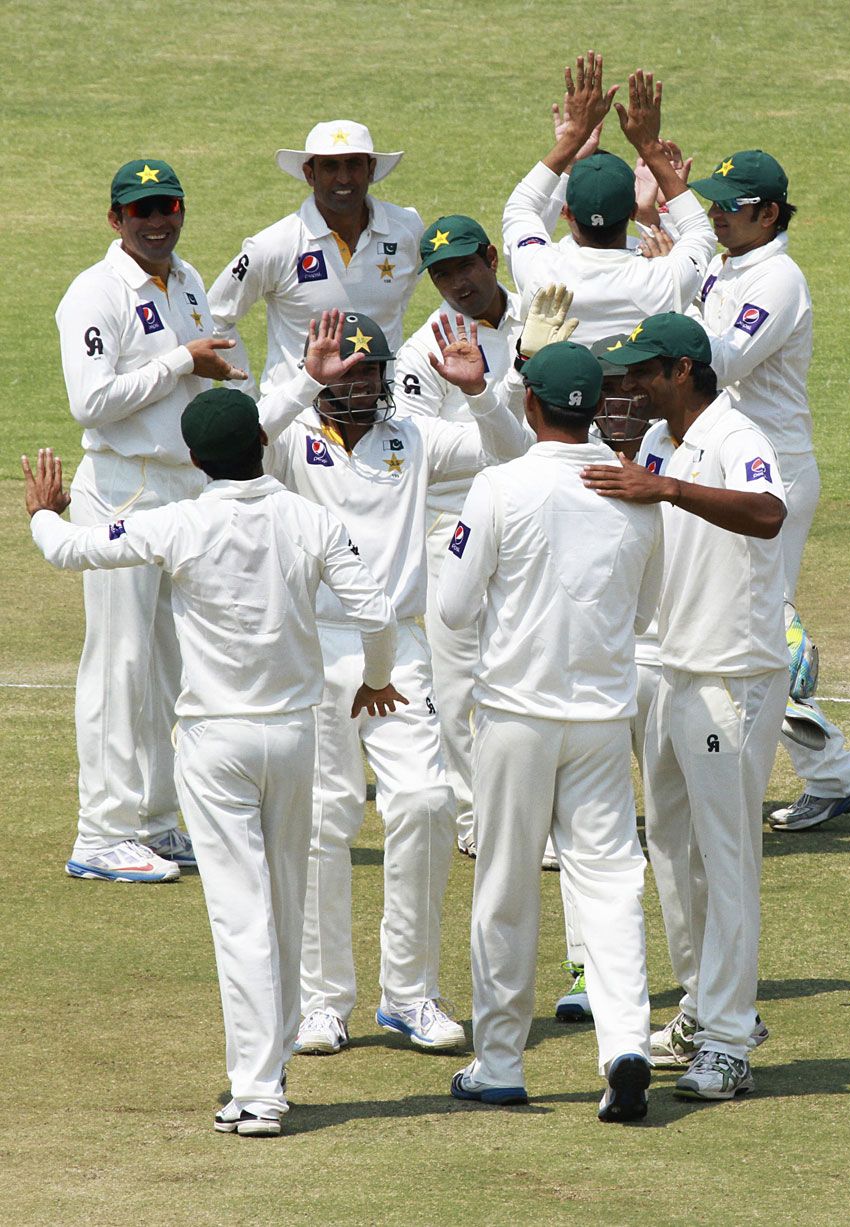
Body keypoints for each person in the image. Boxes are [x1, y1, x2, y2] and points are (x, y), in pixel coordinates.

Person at [22, 389, 398, 1137]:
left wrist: (43, 509)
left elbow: (70, 549)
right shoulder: (310, 516)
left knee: (241, 912)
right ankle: (273, 1056)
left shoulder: (182, 520)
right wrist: (377, 678)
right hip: (294, 736)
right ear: (261, 443)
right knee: (284, 899)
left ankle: (258, 1090)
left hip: (216, 741)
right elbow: (378, 612)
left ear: (194, 459)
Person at [256, 309, 526, 1056]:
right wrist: (304, 379)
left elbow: (510, 455)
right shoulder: (290, 441)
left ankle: (409, 994)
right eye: (348, 374)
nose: (363, 386)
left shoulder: (409, 435)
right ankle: (320, 1000)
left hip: (402, 649)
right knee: (322, 820)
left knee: (429, 800)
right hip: (312, 648)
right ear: (324, 377)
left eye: (371, 374)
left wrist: (479, 393)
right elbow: (235, 440)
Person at [437, 341, 663, 1122]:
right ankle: (625, 1042)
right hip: (602, 715)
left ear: (530, 404)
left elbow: (454, 609)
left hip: (515, 716)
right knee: (607, 882)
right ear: (594, 407)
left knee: (504, 885)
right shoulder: (637, 492)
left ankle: (500, 1061)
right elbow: (643, 613)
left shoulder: (500, 484)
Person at [582, 312, 790, 1100]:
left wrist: (663, 485)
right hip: (674, 666)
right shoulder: (668, 441)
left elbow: (767, 513)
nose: (630, 385)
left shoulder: (738, 433)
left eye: (642, 371)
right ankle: (704, 1008)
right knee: (671, 847)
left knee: (726, 854)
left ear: (681, 370)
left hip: (731, 676)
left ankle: (733, 1039)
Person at [55, 157, 247, 883]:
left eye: (168, 205)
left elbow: (201, 364)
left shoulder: (189, 280)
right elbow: (90, 402)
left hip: (185, 490)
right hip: (124, 491)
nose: (158, 220)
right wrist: (178, 363)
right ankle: (100, 831)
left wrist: (216, 379)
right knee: (120, 662)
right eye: (142, 210)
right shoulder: (93, 294)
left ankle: (156, 821)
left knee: (173, 664)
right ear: (116, 220)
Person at [688, 151, 850, 830]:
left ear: (768, 214)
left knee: (754, 630)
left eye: (728, 207)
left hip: (775, 477)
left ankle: (827, 771)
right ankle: (836, 773)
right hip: (736, 466)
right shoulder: (730, 263)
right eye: (711, 203)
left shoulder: (778, 279)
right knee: (745, 623)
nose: (715, 215)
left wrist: (670, 310)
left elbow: (725, 359)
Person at [393, 214, 526, 855]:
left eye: (465, 266)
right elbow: (422, 448)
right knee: (457, 682)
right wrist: (505, 423)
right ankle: (477, 821)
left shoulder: (542, 315)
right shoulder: (425, 348)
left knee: (528, 670)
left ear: (492, 259)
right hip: (453, 526)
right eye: (442, 274)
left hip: (536, 518)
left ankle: (531, 813)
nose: (457, 283)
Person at [555, 335, 658, 1024]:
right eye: (608, 390)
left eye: (630, 388)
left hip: (672, 662)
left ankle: (704, 986)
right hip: (598, 672)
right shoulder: (574, 466)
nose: (620, 403)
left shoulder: (677, 452)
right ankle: (587, 968)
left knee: (674, 837)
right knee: (585, 833)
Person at [503, 57, 715, 344]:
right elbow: (699, 231)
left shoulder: (540, 270)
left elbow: (521, 206)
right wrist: (649, 148)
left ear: (567, 212)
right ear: (631, 211)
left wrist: (574, 137)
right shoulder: (662, 280)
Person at [207, 120, 424, 400]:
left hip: (381, 411)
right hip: (298, 424)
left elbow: (401, 299)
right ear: (310, 174)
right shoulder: (272, 245)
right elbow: (215, 316)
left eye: (353, 165)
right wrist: (244, 395)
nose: (344, 178)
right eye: (331, 167)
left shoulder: (408, 229)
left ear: (371, 170)